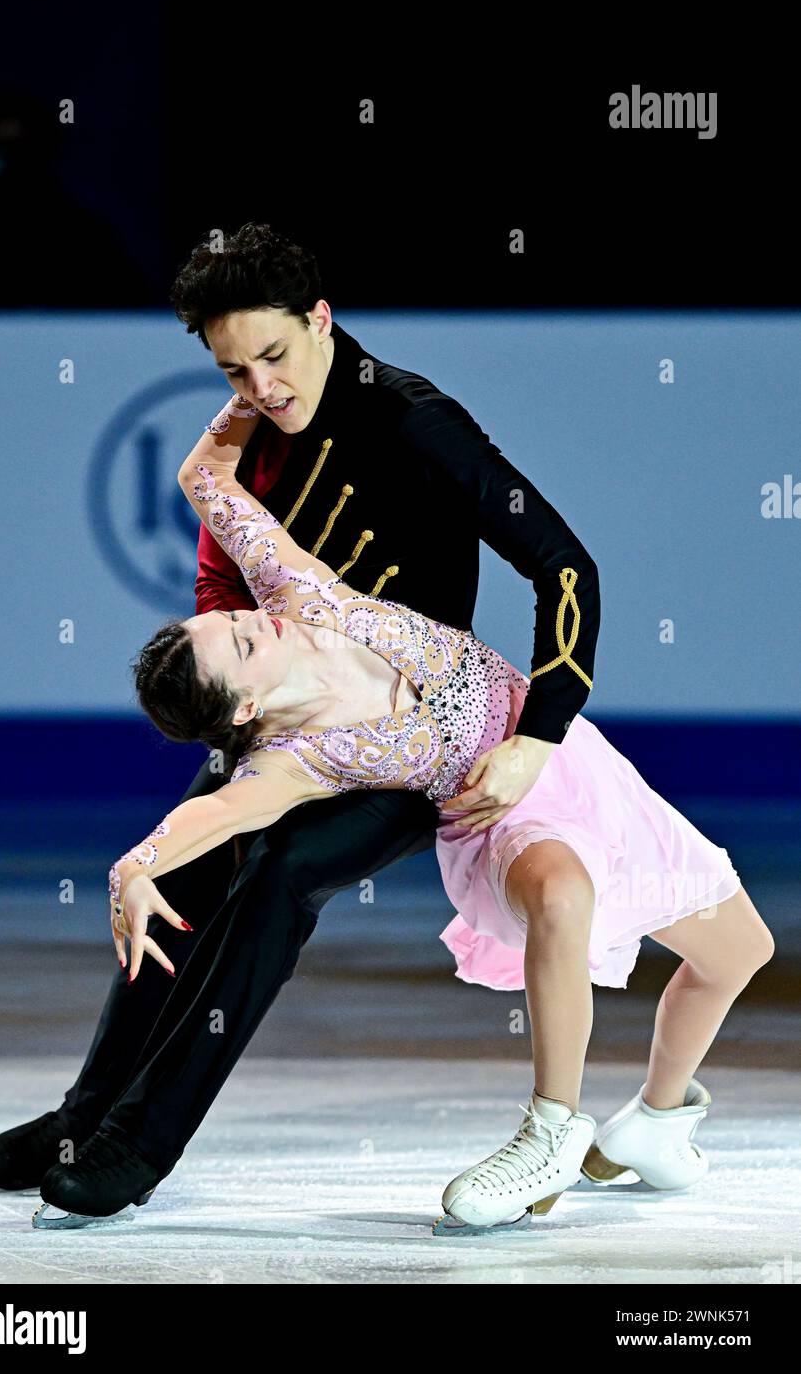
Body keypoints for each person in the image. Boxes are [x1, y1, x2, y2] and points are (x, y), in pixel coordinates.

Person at [49, 383, 771, 1234]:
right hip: (504, 822)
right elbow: (221, 815)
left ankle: (654, 1122)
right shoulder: (299, 755)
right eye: (241, 644)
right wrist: (135, 865)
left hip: (571, 763)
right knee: (564, 894)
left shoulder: (298, 594)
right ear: (243, 710)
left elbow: (204, 477)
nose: (252, 622)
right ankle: (549, 1133)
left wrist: (248, 394)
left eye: (237, 618)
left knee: (738, 953)